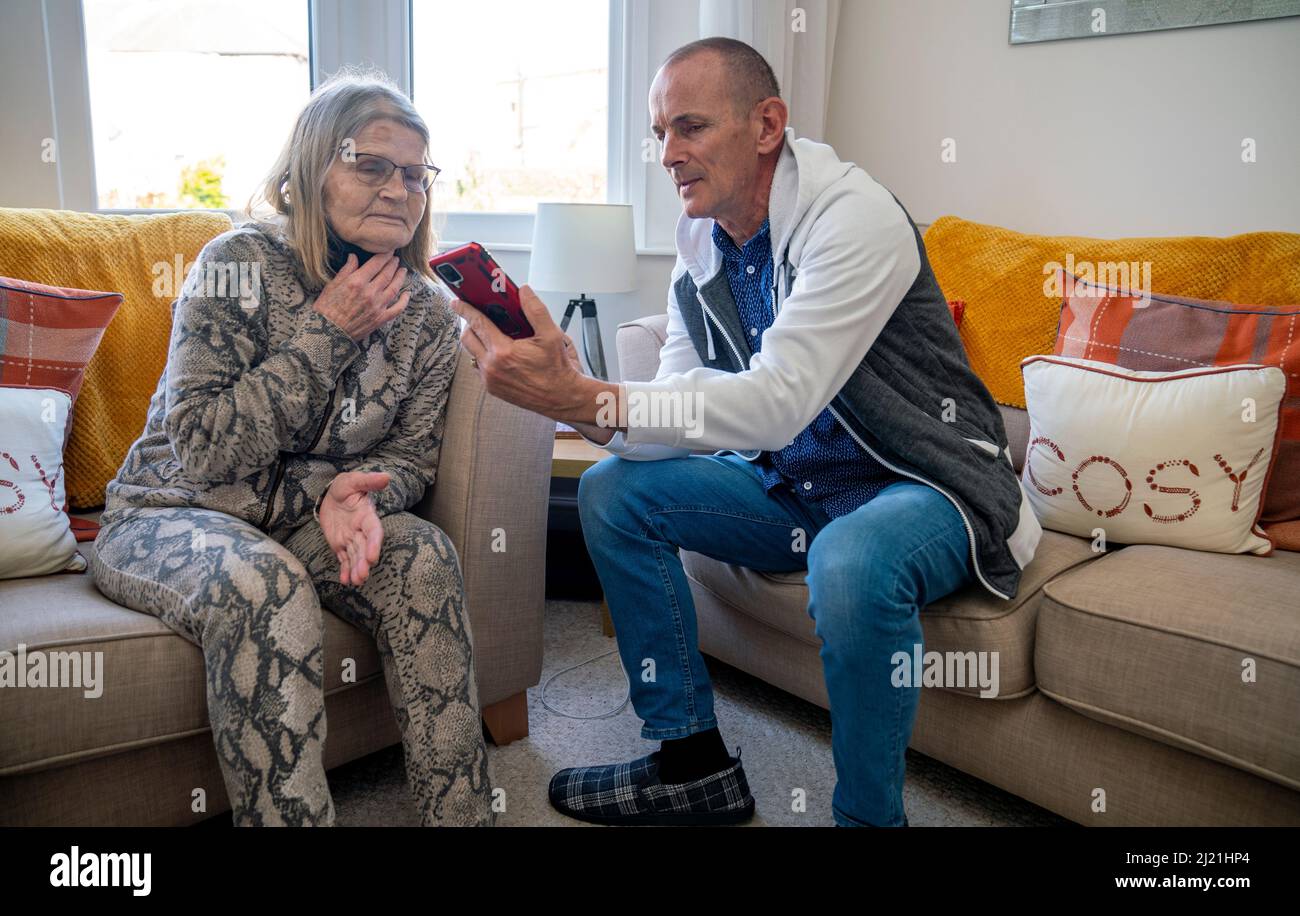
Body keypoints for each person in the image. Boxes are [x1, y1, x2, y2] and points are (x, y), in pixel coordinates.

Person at [449, 37, 1041, 827]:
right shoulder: (700, 251)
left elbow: (774, 404)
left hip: (926, 482)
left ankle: (869, 819)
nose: (668, 154)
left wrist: (591, 394)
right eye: (658, 133)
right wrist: (576, 401)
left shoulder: (852, 217)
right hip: (797, 486)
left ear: (767, 125)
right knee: (614, 493)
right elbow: (677, 413)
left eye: (689, 127)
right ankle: (691, 766)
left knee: (853, 560)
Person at [92, 68, 495, 826]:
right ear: (310, 170)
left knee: (425, 557)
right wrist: (327, 334)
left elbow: (412, 457)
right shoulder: (235, 264)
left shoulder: (431, 315)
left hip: (308, 517)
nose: (397, 189)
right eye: (370, 165)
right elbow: (205, 448)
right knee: (261, 586)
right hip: (172, 509)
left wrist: (363, 494)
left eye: (414, 174)